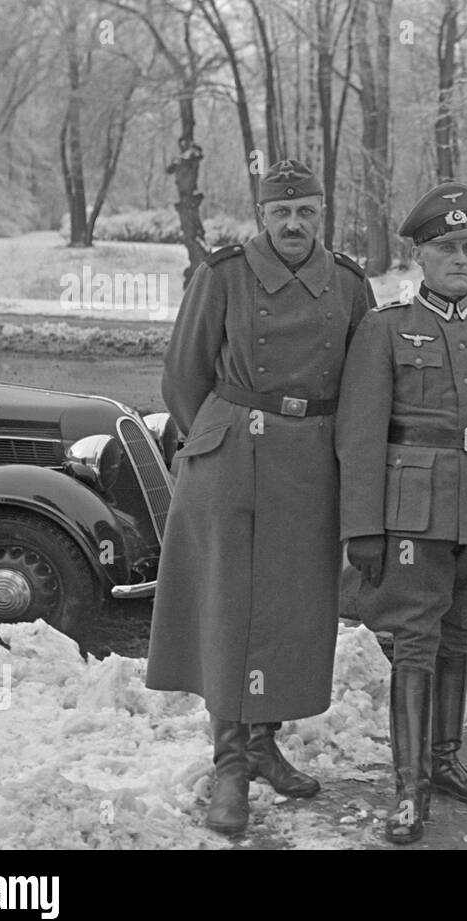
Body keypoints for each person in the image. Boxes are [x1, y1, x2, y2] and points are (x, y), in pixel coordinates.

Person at [146, 160, 376, 835]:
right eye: (282, 213)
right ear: (261, 216)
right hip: (232, 463)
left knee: (290, 609)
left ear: (323, 210)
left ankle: (263, 741)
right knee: (230, 608)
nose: (295, 223)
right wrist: (227, 438)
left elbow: (365, 386)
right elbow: (182, 377)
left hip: (311, 465)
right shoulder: (224, 276)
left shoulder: (351, 285)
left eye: (306, 210)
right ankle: (228, 768)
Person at [336, 182, 467, 845]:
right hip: (413, 514)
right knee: (416, 641)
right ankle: (408, 786)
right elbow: (361, 435)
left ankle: (447, 760)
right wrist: (364, 526)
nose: (461, 258)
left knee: (462, 633)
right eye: (448, 248)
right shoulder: (385, 329)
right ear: (420, 257)